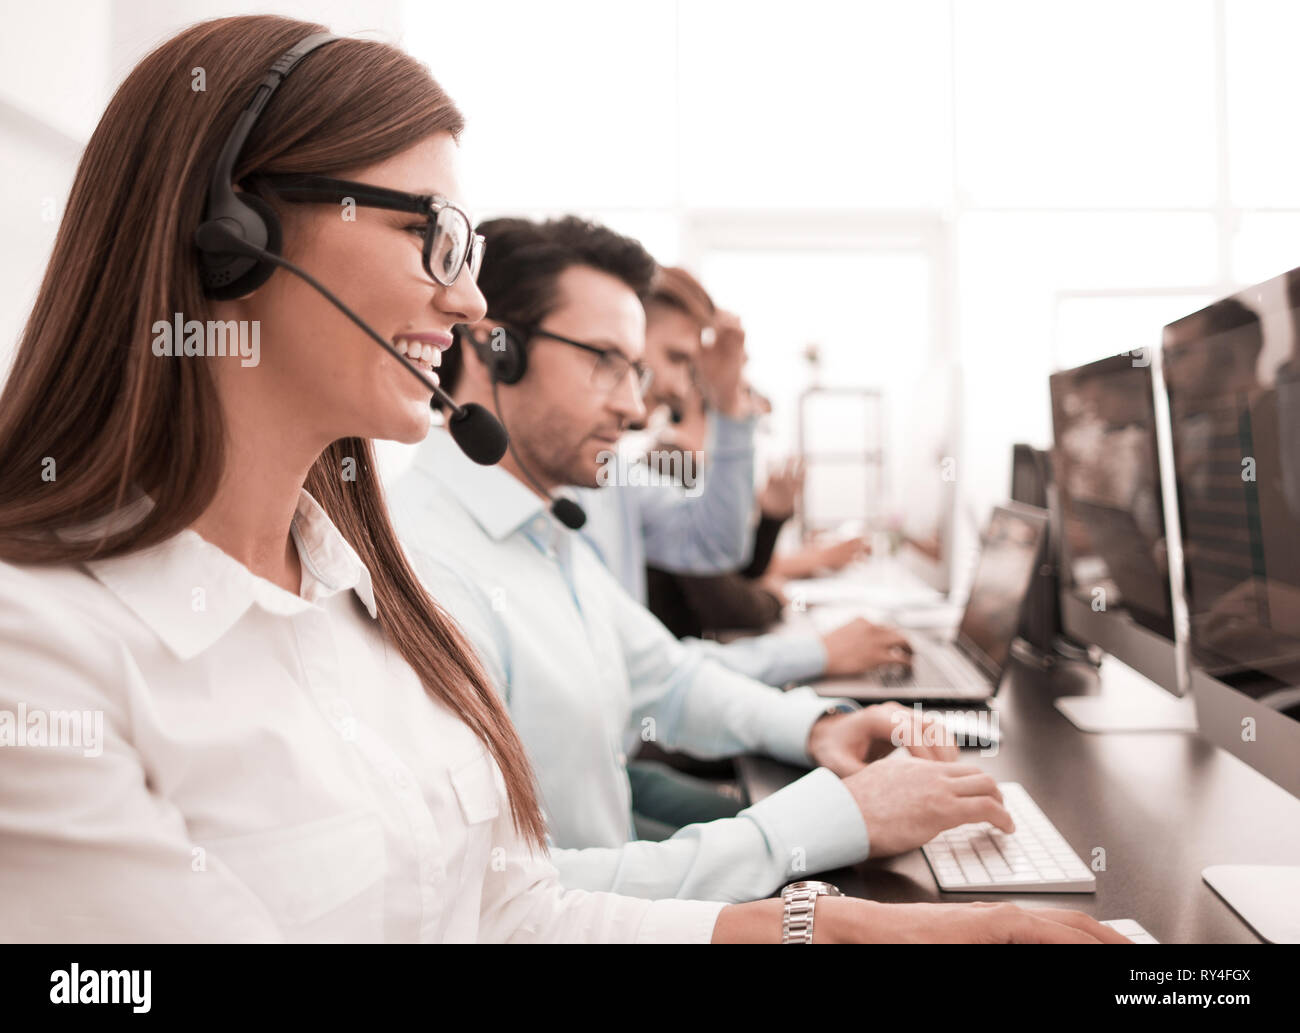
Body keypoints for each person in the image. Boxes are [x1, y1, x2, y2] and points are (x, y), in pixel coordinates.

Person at [0, 16, 1127, 946]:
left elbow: (504, 906)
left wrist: (841, 931)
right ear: (230, 236)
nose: (467, 304)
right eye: (432, 237)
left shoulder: (358, 587)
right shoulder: (40, 655)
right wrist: (814, 848)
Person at [392, 215, 1020, 904]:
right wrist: (836, 819)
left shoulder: (547, 528)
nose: (635, 407)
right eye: (604, 360)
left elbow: (669, 680)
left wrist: (820, 725)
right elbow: (497, 900)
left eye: (636, 370)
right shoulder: (430, 567)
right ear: (494, 349)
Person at [581, 265, 912, 686]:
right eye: (676, 359)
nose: (675, 388)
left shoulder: (627, 476)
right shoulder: (658, 462)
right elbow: (725, 598)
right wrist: (780, 599)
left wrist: (772, 516)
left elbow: (726, 554)